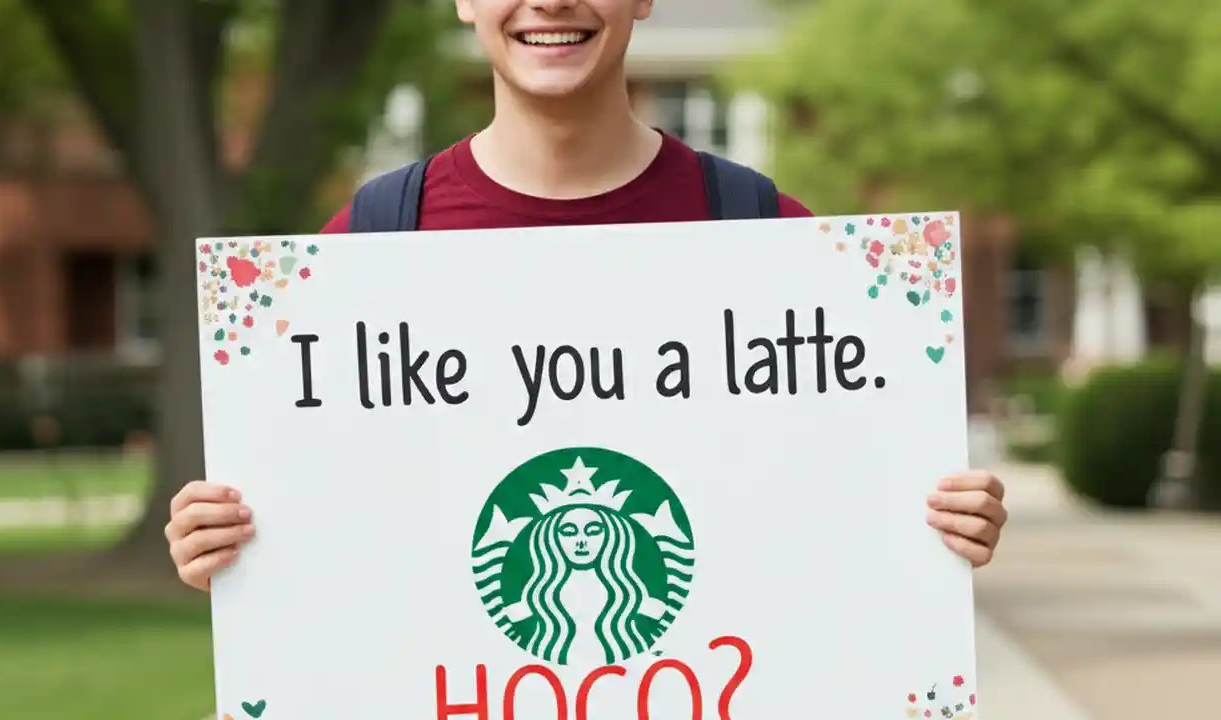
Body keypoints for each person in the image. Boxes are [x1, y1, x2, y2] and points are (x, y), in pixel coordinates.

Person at [164, 0, 1008, 591]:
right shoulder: (375, 243)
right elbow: (326, 531)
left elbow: (854, 505)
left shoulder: (762, 234)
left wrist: (942, 524)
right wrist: (231, 552)